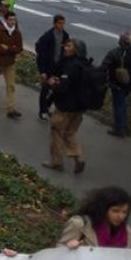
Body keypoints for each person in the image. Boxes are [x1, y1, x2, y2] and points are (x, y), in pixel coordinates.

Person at [59, 186, 131, 260]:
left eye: (124, 212)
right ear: (103, 209)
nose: (121, 216)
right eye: (115, 211)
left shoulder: (127, 232)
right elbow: (56, 255)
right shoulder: (80, 225)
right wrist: (68, 248)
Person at [43, 39, 89, 174]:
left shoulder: (71, 66)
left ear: (76, 50)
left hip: (66, 106)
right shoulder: (85, 64)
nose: (65, 48)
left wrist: (53, 83)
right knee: (70, 133)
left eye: (69, 46)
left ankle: (56, 162)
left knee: (56, 131)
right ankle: (79, 157)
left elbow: (64, 87)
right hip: (80, 107)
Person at [101, 31, 131, 138]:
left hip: (117, 85)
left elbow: (104, 67)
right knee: (123, 105)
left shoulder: (114, 53)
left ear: (121, 41)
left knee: (118, 106)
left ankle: (119, 129)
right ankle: (124, 126)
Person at [0, 11, 23, 118]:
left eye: (14, 20)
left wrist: (8, 47)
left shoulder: (17, 33)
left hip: (10, 63)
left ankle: (11, 109)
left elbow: (19, 48)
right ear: (6, 20)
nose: (13, 22)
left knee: (11, 86)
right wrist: (12, 49)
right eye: (10, 20)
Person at [34, 15, 70, 121]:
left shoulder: (65, 35)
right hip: (48, 67)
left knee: (57, 89)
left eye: (63, 23)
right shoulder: (48, 36)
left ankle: (47, 106)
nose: (62, 26)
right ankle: (42, 111)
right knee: (45, 89)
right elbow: (41, 53)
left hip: (59, 68)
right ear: (55, 24)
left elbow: (67, 50)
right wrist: (43, 71)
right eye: (60, 23)